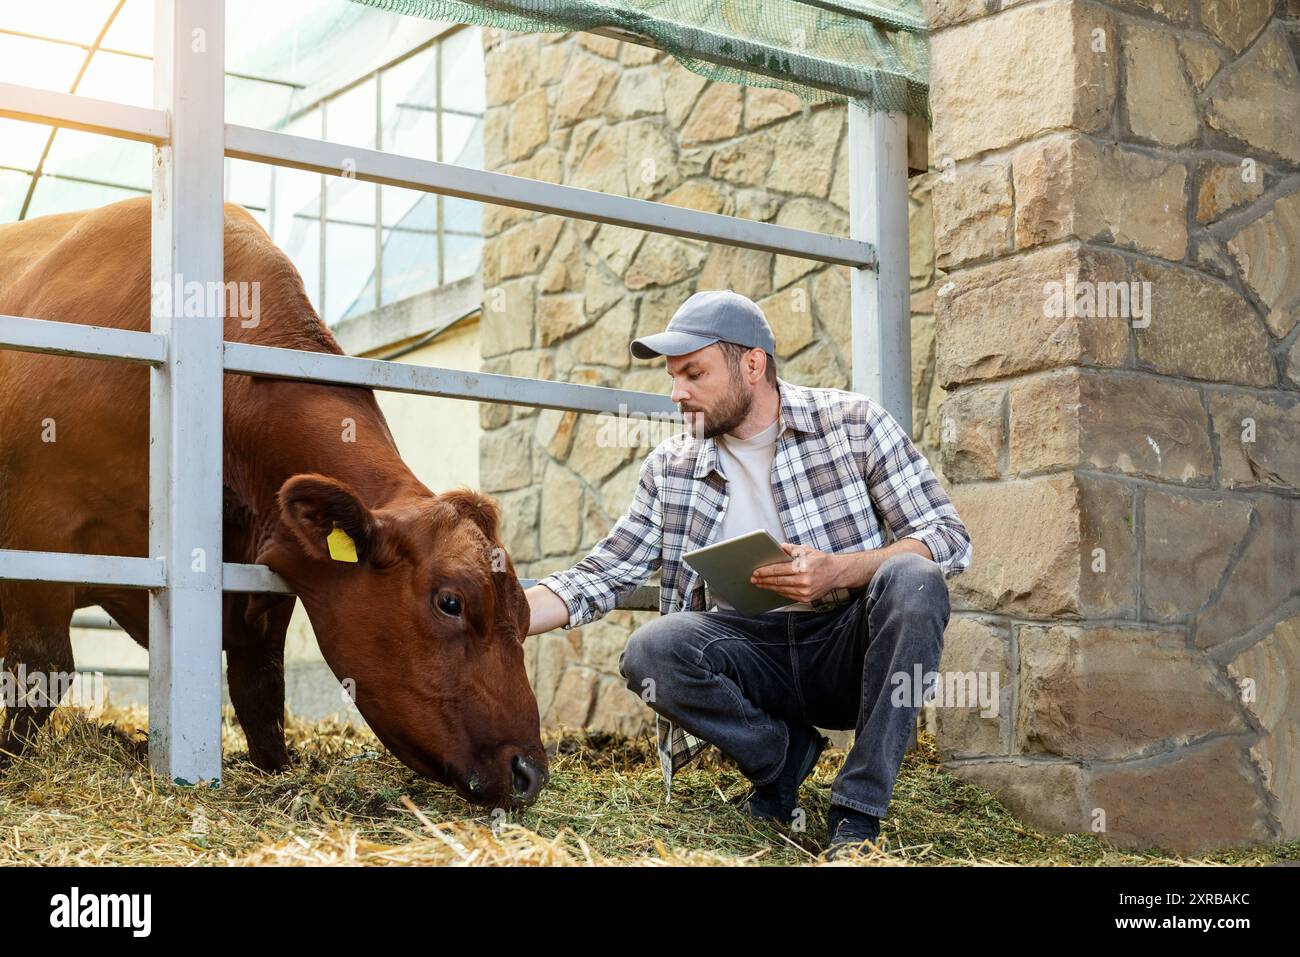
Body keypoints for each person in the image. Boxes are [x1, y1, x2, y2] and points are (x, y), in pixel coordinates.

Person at [525, 289, 971, 857]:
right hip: (753, 658)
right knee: (652, 649)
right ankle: (781, 757)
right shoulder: (671, 467)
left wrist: (842, 570)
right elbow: (605, 573)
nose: (677, 393)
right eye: (672, 376)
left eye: (694, 373)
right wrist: (508, 617)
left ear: (752, 364)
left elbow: (948, 538)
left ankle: (857, 814)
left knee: (914, 579)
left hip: (844, 650)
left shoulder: (854, 423)